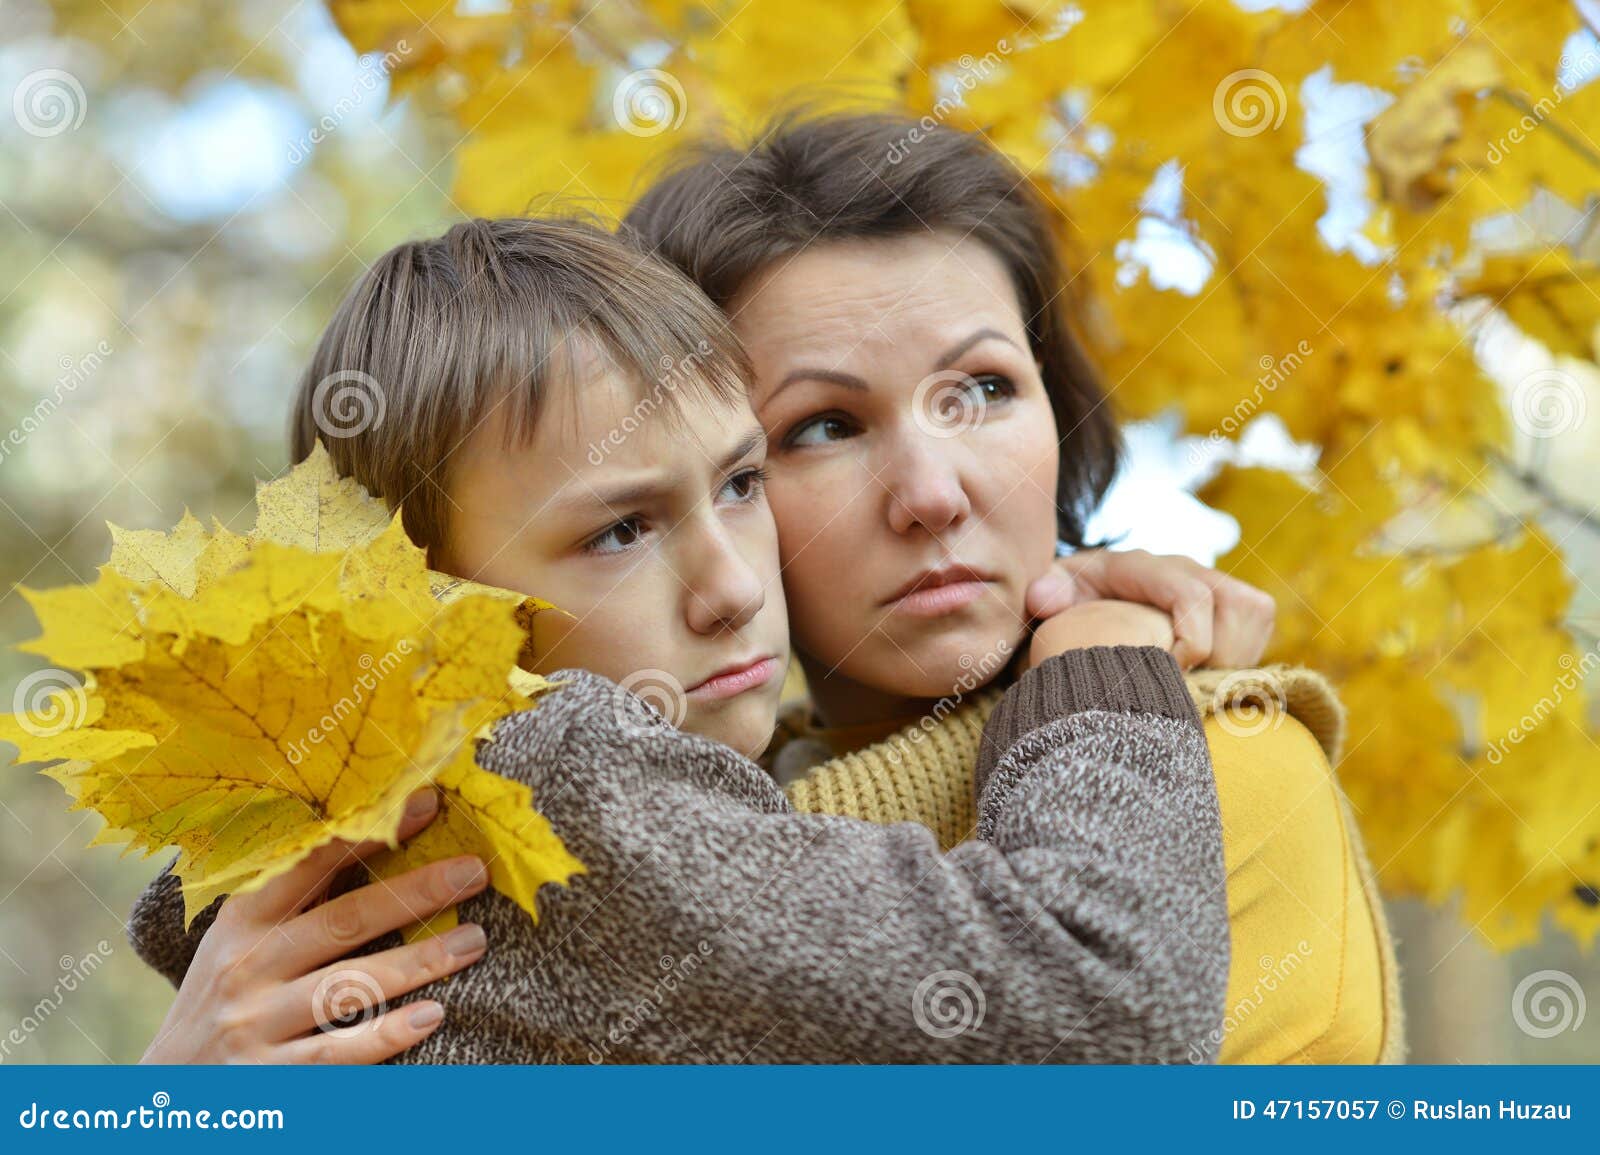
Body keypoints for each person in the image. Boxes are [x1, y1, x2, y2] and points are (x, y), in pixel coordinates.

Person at [130, 216, 1230, 1063]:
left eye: (743, 482)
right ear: (421, 606)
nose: (733, 585)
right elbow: (1113, 1010)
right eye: (620, 531)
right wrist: (1096, 668)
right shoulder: (561, 788)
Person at [622, 111, 1402, 1062]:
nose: (932, 495)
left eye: (981, 390)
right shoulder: (651, 828)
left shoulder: (1224, 767)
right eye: (825, 425)